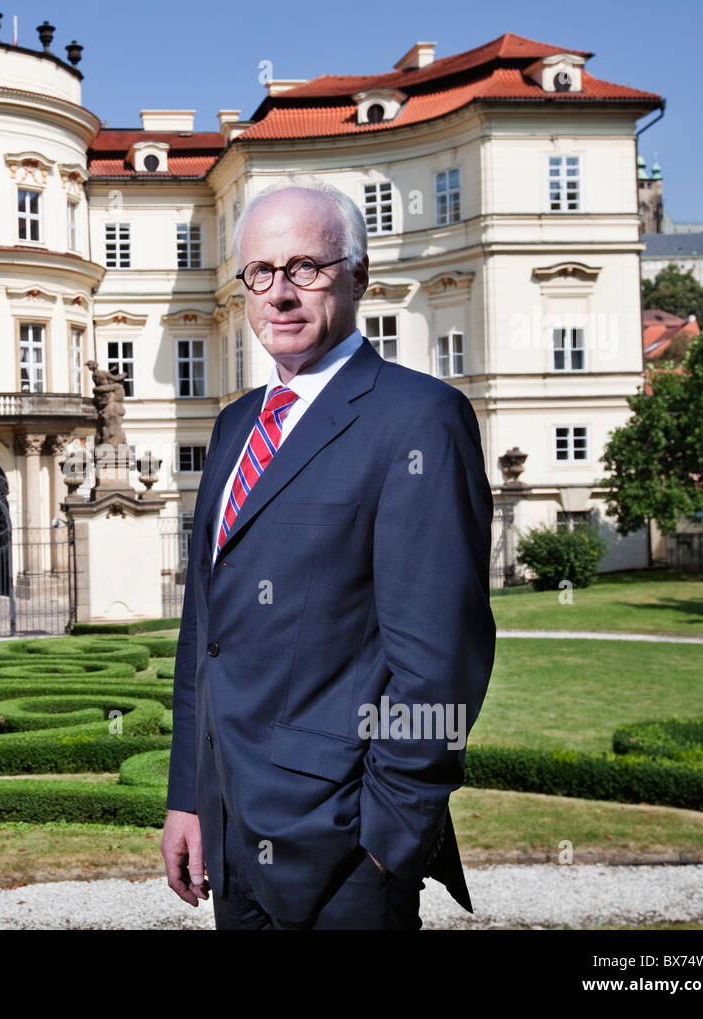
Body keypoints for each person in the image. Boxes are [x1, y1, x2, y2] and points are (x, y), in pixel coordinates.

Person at [160, 182, 496, 930]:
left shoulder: (419, 420)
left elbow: (443, 662)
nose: (279, 293)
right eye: (260, 273)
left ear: (358, 277)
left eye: (305, 268)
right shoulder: (234, 427)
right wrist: (189, 796)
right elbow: (202, 636)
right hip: (230, 829)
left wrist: (388, 839)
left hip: (343, 847)